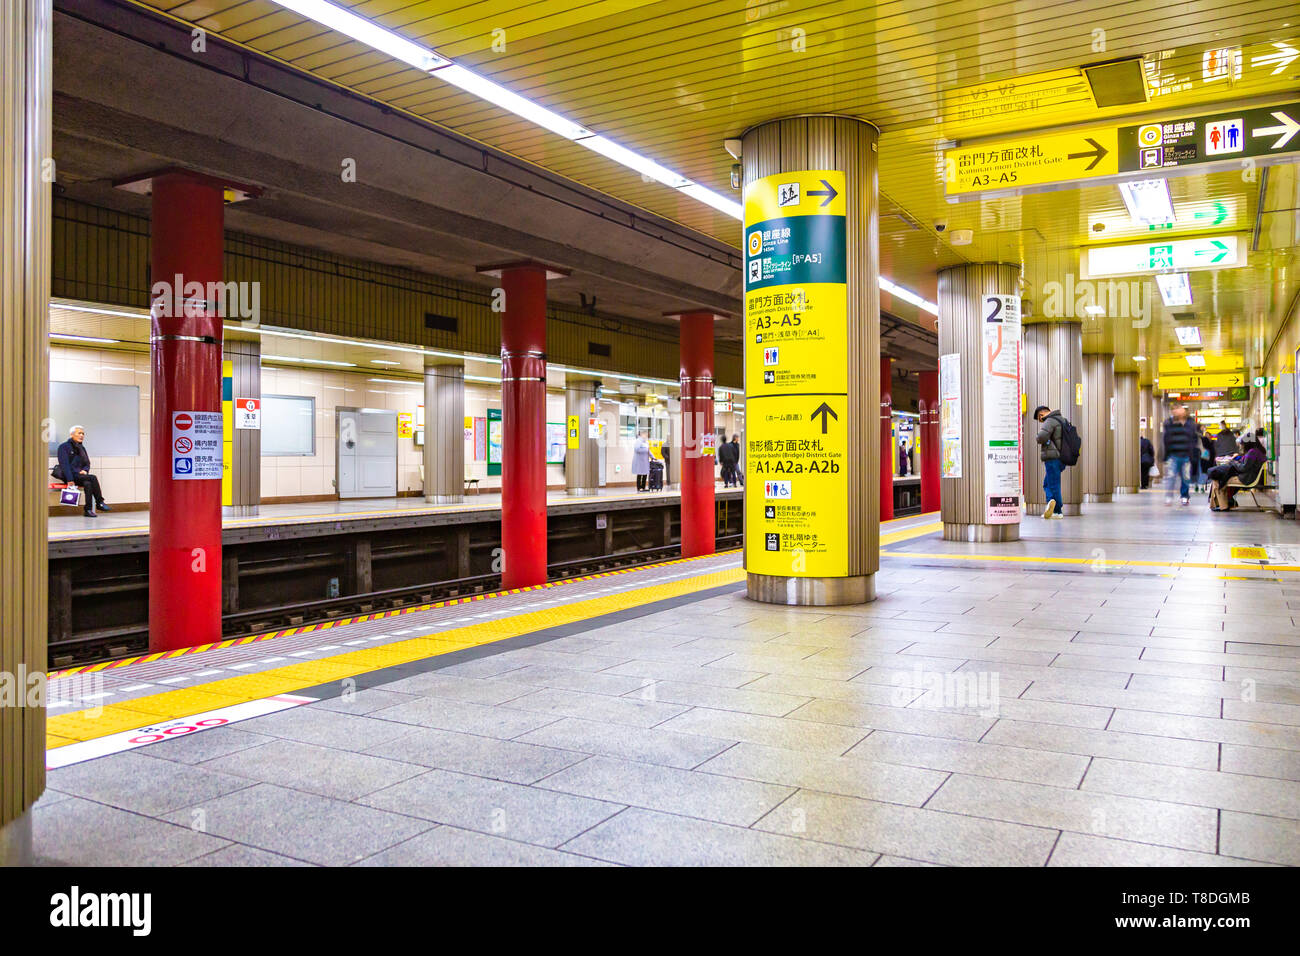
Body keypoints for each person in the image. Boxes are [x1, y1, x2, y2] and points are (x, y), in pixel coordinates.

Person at [55, 425, 112, 518]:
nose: (82, 435)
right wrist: (70, 480)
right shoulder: (63, 447)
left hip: (81, 476)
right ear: (72, 434)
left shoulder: (82, 448)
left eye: (83, 434)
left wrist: (85, 470)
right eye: (79, 433)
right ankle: (99, 502)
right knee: (93, 478)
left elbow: (87, 463)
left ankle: (88, 510)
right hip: (70, 477)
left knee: (88, 483)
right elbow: (64, 465)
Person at [1208, 431, 1267, 511]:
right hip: (1249, 476)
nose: (1242, 446)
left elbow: (1243, 468)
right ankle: (1225, 503)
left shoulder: (1252, 452)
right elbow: (1247, 464)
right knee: (1221, 478)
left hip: (1245, 478)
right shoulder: (1259, 451)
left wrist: (1233, 462)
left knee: (1217, 480)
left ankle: (1222, 506)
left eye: (1243, 444)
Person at [1161, 405, 1199, 505]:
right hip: (1173, 455)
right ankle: (1169, 497)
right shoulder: (1169, 423)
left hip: (1186, 455)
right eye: (1175, 410)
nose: (1178, 411)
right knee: (1171, 476)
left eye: (1180, 409)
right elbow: (1166, 439)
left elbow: (1194, 438)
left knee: (1186, 477)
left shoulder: (1190, 423)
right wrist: (1166, 454)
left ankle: (1184, 496)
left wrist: (1192, 450)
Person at [1033, 405, 1066, 519]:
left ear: (1042, 414)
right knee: (1047, 483)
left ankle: (1057, 510)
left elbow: (1041, 437)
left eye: (1040, 418)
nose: (1041, 421)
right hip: (1062, 458)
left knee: (1053, 484)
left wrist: (1038, 437)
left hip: (1052, 457)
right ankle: (1051, 502)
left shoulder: (1050, 420)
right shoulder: (1062, 420)